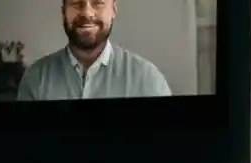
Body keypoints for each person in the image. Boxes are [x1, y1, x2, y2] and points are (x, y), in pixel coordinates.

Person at [16, 0, 171, 102]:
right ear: (63, 12)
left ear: (114, 9)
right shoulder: (36, 79)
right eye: (76, 3)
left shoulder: (148, 81)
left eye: (98, 3)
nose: (87, 13)